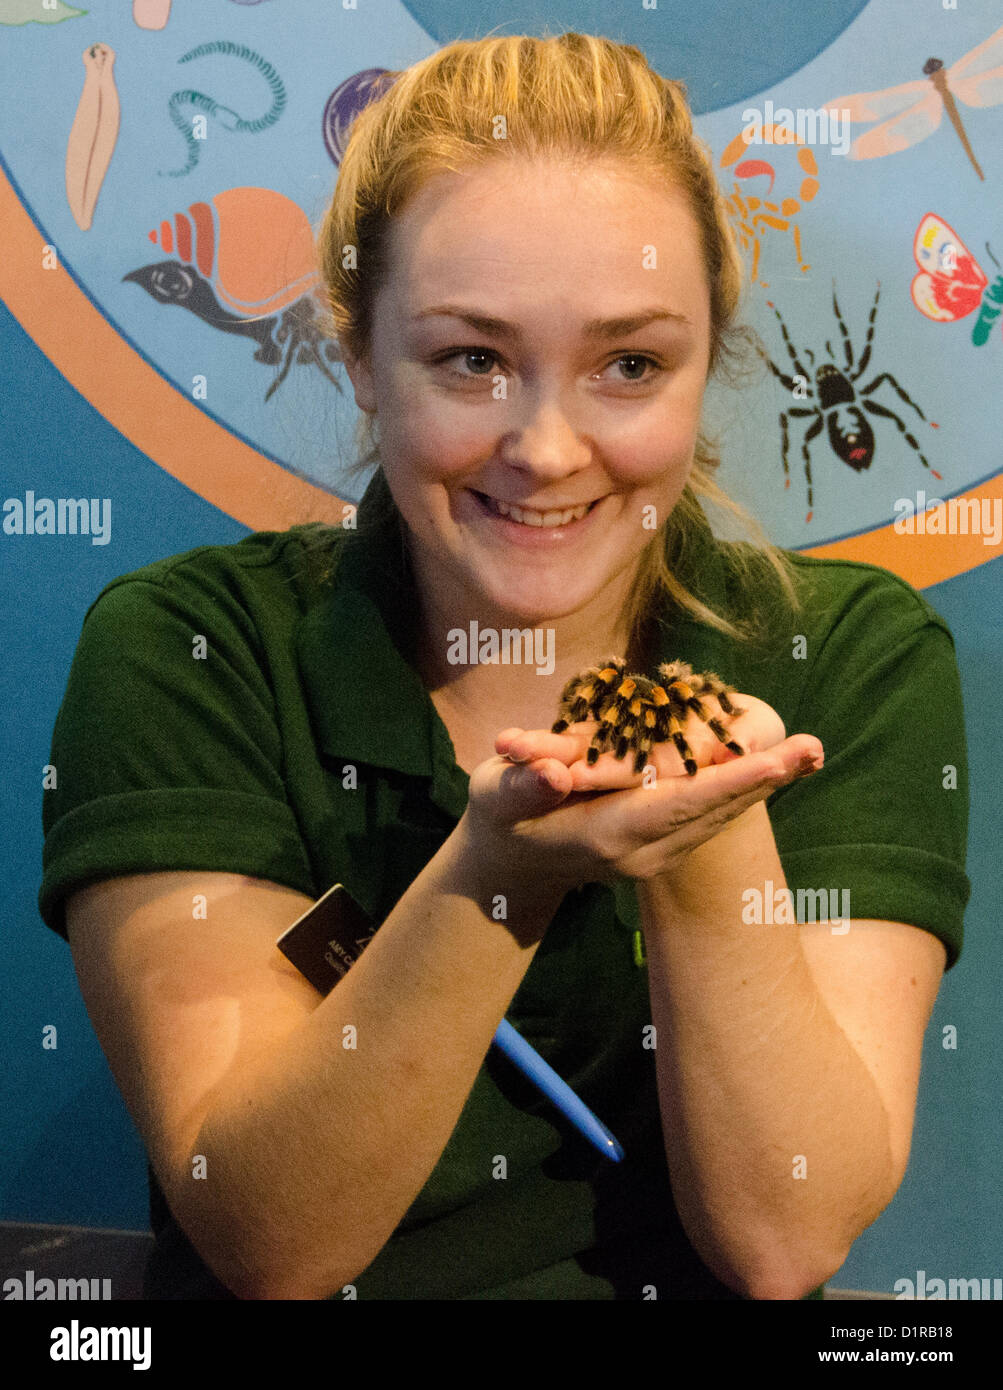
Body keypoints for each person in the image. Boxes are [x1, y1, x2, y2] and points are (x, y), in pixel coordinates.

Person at [38, 33, 970, 1301]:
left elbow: (783, 1237)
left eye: (629, 365)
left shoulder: (848, 656)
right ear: (361, 359)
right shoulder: (191, 653)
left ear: (706, 369)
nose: (544, 447)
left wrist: (705, 824)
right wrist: (495, 882)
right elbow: (273, 1242)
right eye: (471, 359)